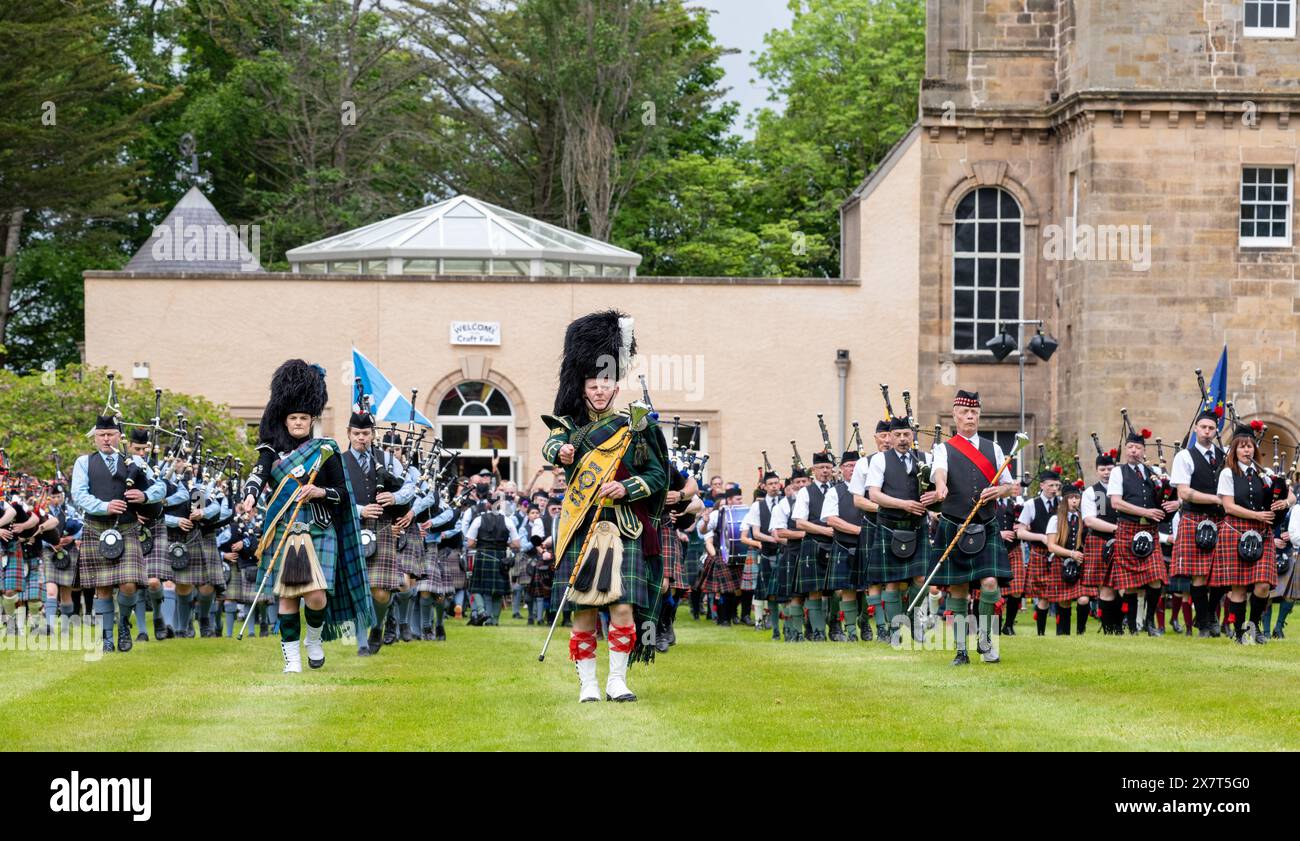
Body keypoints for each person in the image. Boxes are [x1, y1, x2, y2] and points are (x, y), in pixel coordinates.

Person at [543, 311, 669, 703]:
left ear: (616, 387)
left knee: (622, 609)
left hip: (624, 526)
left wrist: (626, 486)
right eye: (593, 385)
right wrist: (560, 452)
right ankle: (588, 685)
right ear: (583, 388)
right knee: (583, 612)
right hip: (583, 526)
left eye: (606, 385)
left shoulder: (636, 425)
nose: (599, 391)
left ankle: (617, 681)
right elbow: (550, 446)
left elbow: (658, 476)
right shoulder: (567, 427)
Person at [239, 359, 374, 673]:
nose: (298, 422)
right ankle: (292, 661)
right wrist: (249, 494)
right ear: (285, 420)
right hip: (284, 527)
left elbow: (342, 492)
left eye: (303, 417)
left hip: (318, 527)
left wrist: (318, 492)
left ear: (311, 419)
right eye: (293, 418)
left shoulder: (325, 449)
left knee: (315, 596)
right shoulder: (271, 451)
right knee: (287, 597)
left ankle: (313, 639)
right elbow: (258, 475)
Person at [928, 390, 1017, 665]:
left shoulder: (995, 449)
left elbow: (1010, 486)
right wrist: (940, 488)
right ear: (955, 415)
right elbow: (939, 473)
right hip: (955, 523)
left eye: (974, 413)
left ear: (979, 416)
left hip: (986, 523)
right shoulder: (943, 449)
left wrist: (998, 492)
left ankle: (986, 641)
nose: (970, 417)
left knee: (990, 584)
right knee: (958, 589)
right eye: (965, 412)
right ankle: (960, 650)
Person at [71, 415, 166, 652]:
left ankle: (123, 625)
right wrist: (105, 506)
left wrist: (145, 496)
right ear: (94, 437)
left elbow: (160, 486)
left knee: (129, 585)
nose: (106, 439)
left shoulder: (134, 461)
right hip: (96, 527)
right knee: (102, 587)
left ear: (118, 436)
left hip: (126, 527)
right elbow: (79, 494)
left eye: (110, 434)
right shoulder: (84, 462)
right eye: (101, 435)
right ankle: (106, 637)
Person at [1214, 422, 1290, 644]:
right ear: (1234, 449)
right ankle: (1239, 634)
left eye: (1250, 446)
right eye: (1242, 447)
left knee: (1263, 584)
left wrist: (1284, 501)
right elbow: (1228, 506)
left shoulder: (1263, 473)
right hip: (1235, 532)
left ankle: (1254, 627)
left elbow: (1290, 495)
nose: (1246, 450)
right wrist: (1257, 516)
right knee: (1238, 587)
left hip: (1262, 534)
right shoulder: (1228, 473)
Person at [1107, 426, 1177, 636]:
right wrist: (1145, 510)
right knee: (1129, 584)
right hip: (1128, 528)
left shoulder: (1153, 472)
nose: (1133, 451)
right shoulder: (1118, 472)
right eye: (1130, 447)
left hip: (1150, 530)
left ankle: (1148, 622)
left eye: (1137, 447)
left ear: (1144, 450)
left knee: (1156, 579)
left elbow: (1169, 495)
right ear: (1125, 449)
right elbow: (1116, 503)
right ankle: (1131, 625)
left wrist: (1176, 503)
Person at [1170, 412, 1230, 636]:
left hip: (1221, 520)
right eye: (1203, 427)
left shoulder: (1224, 456)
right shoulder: (1184, 456)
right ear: (1195, 429)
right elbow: (1184, 492)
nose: (1207, 431)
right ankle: (1205, 624)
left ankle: (1207, 615)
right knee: (1199, 576)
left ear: (1216, 431)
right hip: (1195, 519)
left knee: (1222, 574)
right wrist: (1216, 499)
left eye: (1211, 428)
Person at [1017, 468, 1062, 636]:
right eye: (1051, 485)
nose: (1054, 489)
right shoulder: (1030, 505)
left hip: (1059, 554)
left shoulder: (1063, 503)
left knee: (1061, 594)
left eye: (1057, 485)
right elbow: (1020, 532)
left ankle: (1061, 632)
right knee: (1042, 596)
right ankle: (1041, 633)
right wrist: (1042, 537)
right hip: (1040, 553)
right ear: (1042, 485)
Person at [1042, 482, 1090, 634]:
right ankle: (1063, 633)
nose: (1074, 501)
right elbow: (1051, 546)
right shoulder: (1055, 520)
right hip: (1062, 563)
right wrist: (1071, 553)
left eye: (1077, 498)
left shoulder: (1085, 519)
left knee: (1084, 599)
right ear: (1064, 500)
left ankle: (1081, 632)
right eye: (1071, 498)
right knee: (1064, 601)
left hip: (1080, 564)